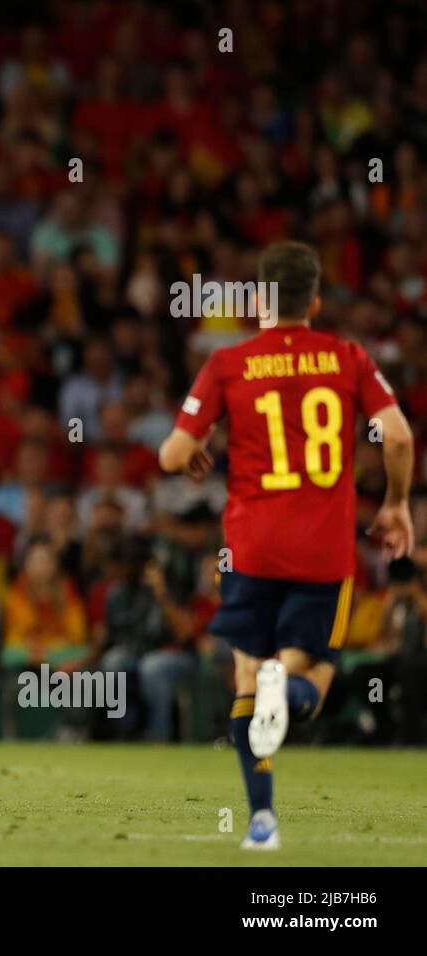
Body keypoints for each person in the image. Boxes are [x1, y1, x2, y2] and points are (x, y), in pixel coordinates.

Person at [159, 239, 414, 850]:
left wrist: (194, 450)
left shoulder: (228, 363)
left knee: (248, 684)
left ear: (258, 301)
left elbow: (171, 454)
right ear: (316, 302)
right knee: (311, 686)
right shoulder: (348, 358)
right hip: (324, 551)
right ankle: (286, 682)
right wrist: (397, 503)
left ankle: (262, 824)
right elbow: (399, 436)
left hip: (250, 548)